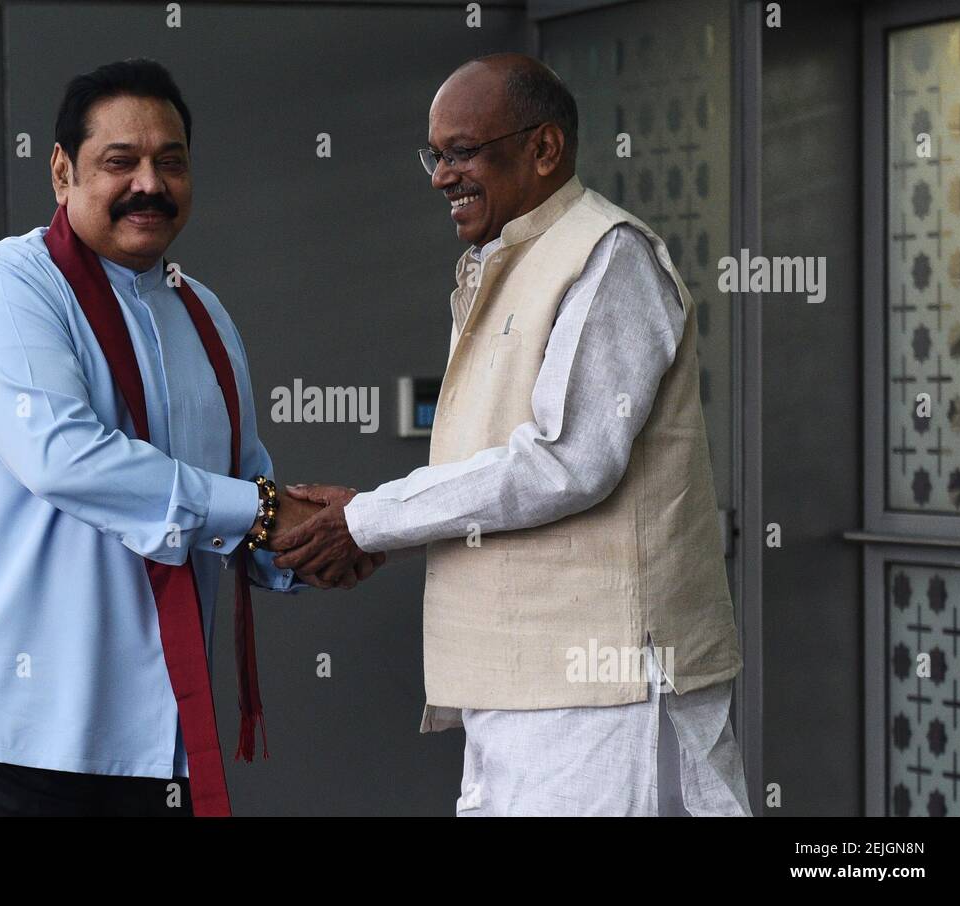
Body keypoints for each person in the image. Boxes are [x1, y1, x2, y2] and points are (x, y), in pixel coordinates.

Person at [273, 53, 750, 816]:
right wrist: (371, 525)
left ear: (544, 149)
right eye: (435, 154)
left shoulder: (608, 256)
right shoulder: (510, 258)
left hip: (601, 691)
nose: (439, 176)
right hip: (525, 685)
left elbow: (567, 462)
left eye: (460, 152)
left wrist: (367, 521)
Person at [0, 59, 382, 817]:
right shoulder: (5, 283)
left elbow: (238, 491)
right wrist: (263, 512)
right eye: (119, 162)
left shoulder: (203, 313)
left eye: (171, 162)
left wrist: (323, 543)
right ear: (62, 173)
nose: (149, 184)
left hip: (157, 743)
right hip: (11, 737)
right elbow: (68, 460)